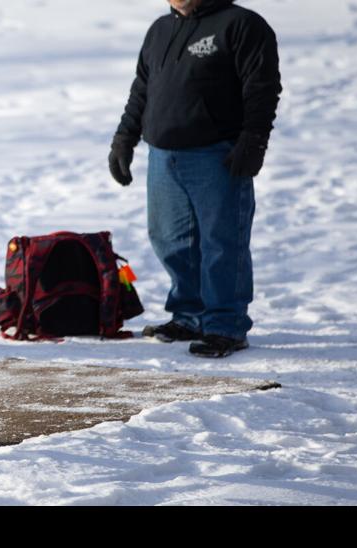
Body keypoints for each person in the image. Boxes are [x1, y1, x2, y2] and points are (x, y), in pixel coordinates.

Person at [109, 0, 280, 358]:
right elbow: (143, 87)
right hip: (163, 155)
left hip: (216, 155)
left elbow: (262, 87)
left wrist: (253, 140)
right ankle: (188, 315)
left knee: (222, 243)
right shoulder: (159, 29)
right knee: (170, 239)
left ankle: (225, 325)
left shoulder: (241, 24)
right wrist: (125, 138)